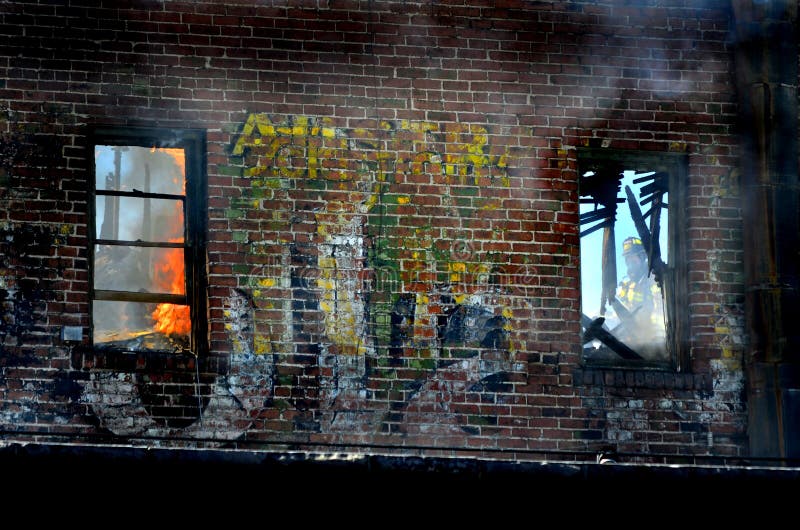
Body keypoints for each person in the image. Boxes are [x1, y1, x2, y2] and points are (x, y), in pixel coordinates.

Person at [615, 236, 667, 360]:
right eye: (628, 259)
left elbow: (660, 310)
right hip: (630, 337)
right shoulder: (626, 285)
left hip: (650, 339)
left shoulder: (652, 280)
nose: (630, 262)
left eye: (633, 258)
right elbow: (622, 313)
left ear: (642, 257)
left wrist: (655, 336)